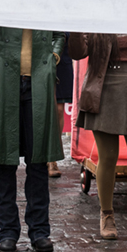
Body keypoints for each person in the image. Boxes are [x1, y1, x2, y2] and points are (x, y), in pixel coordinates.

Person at [0, 24, 65, 252]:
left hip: (38, 80)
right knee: (5, 160)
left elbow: (58, 32)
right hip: (3, 80)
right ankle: (7, 232)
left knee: (38, 161)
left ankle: (40, 231)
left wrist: (54, 56)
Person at [69, 33, 127, 242]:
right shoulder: (96, 17)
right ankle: (107, 215)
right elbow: (78, 53)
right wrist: (74, 27)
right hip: (103, 90)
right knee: (108, 158)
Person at [48, 35, 74, 179]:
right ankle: (41, 154)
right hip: (40, 58)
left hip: (63, 59)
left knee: (58, 110)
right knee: (41, 109)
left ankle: (53, 159)